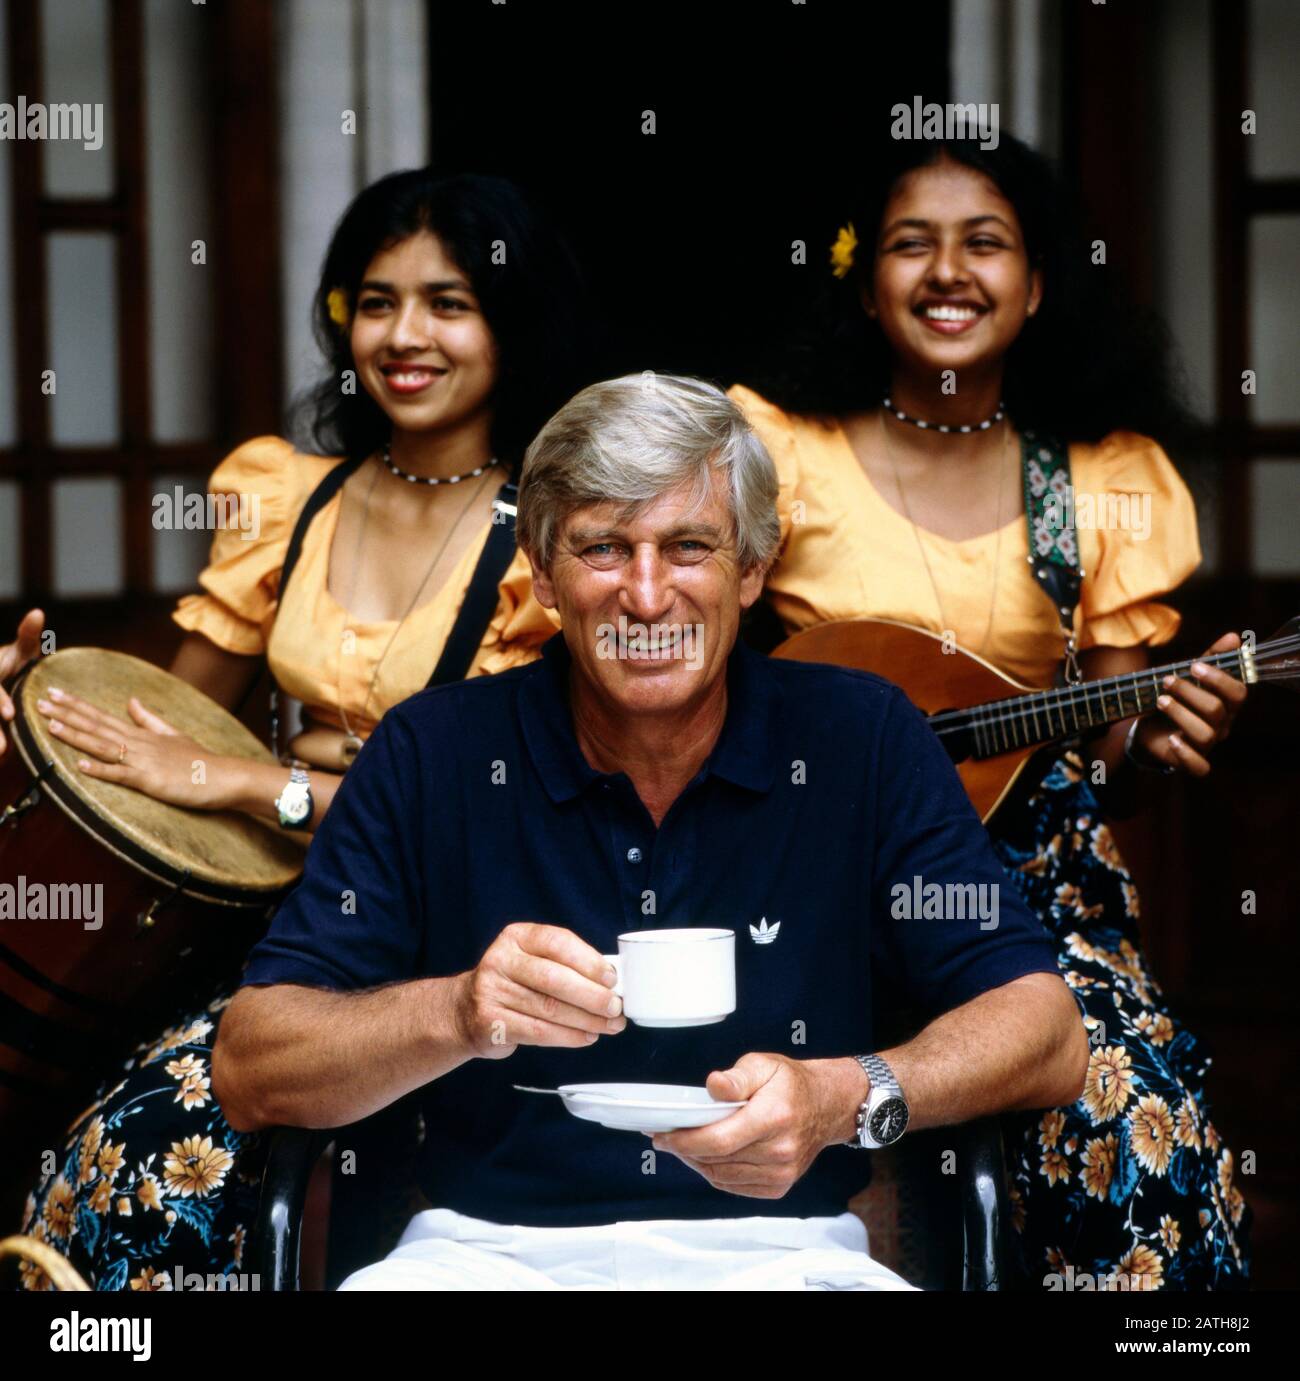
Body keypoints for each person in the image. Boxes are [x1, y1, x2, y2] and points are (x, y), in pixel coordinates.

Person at [210, 373, 1088, 1292]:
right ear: (541, 573)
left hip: (785, 1260)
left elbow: (1044, 1028)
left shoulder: (861, 739)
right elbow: (252, 1060)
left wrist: (845, 1097)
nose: (645, 594)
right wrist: (459, 1010)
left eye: (688, 546)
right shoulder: (433, 751)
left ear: (753, 567)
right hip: (482, 1256)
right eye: (602, 548)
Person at [7, 169, 594, 1290]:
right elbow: (161, 728)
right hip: (265, 917)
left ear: (510, 322)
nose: (403, 336)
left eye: (448, 303)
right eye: (375, 302)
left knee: (177, 1150)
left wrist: (245, 785)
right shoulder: (293, 496)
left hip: (454, 924)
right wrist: (46, 729)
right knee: (77, 1112)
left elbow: (501, 796)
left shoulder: (556, 534)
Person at [728, 135, 1250, 1289]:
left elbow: (1114, 745)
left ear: (1037, 286)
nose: (948, 271)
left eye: (986, 244)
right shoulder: (776, 449)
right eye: (912, 243)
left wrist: (1159, 733)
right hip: (800, 876)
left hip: (1029, 885)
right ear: (867, 283)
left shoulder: (1101, 476)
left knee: (1124, 1100)